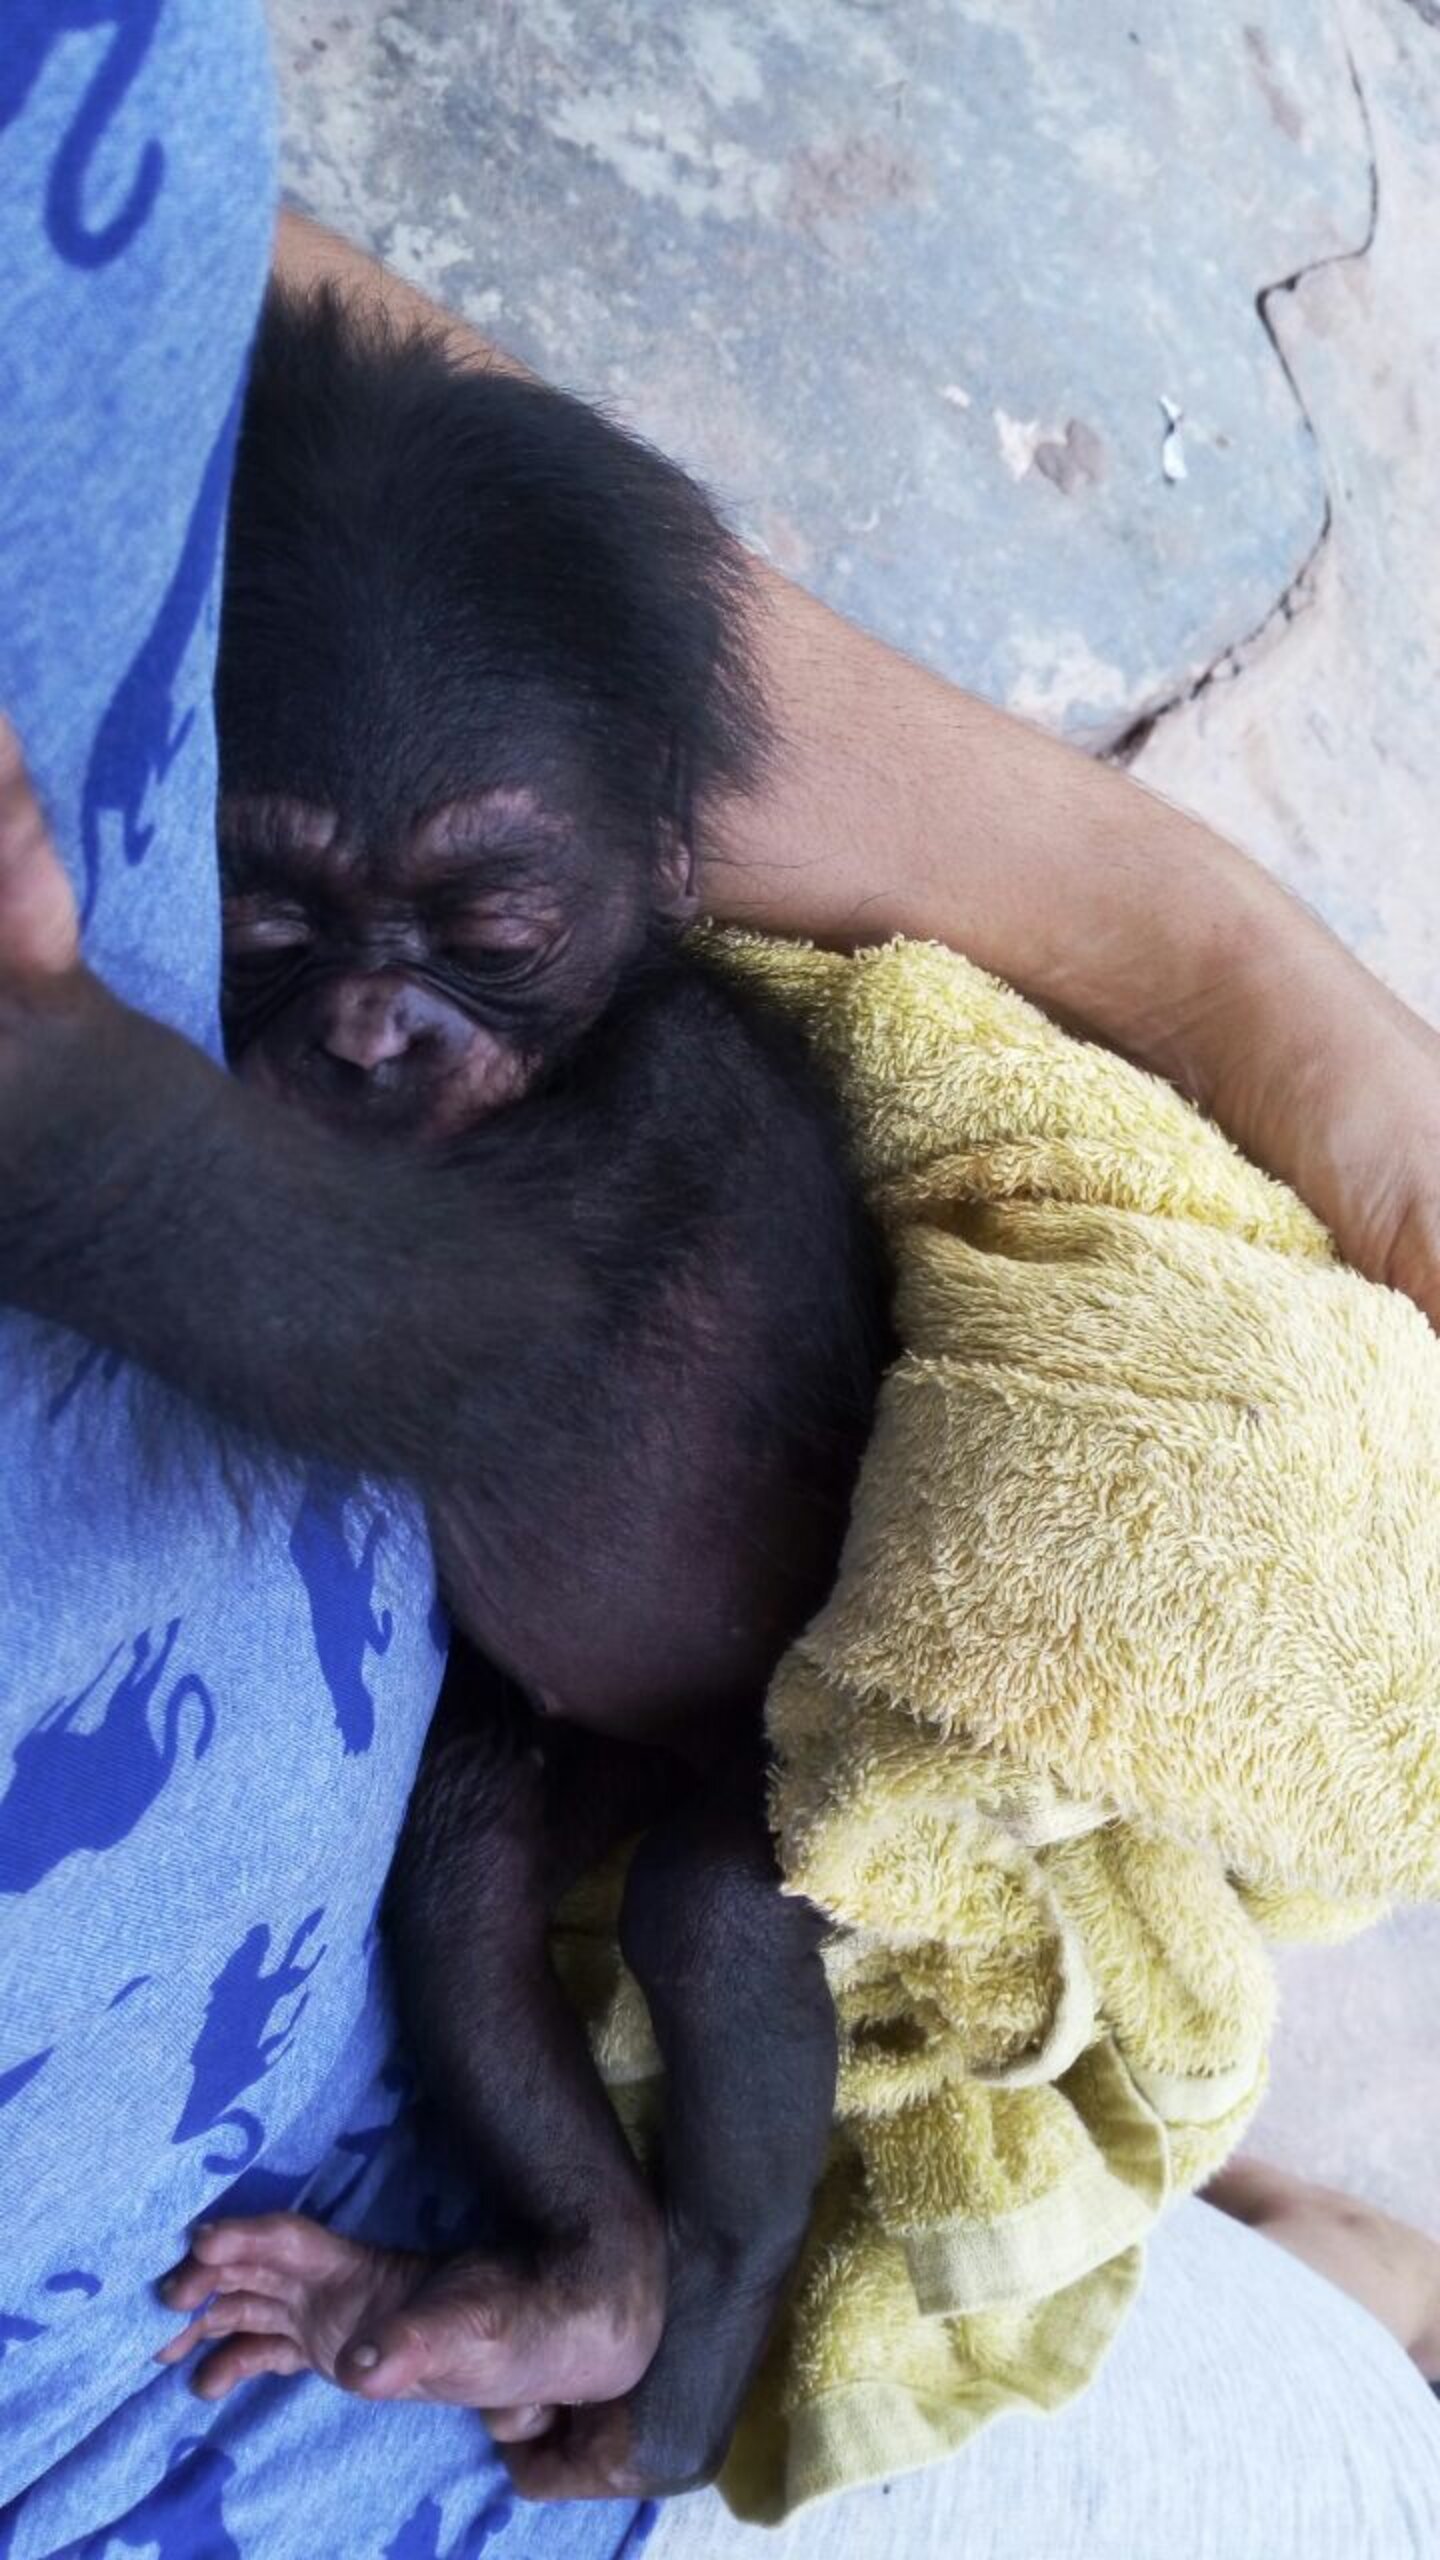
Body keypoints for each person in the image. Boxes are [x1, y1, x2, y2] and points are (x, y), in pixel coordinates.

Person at [0, 10, 1437, 2556]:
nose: (369, 1016)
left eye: (482, 939)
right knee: (464, 1875)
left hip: (749, 1737)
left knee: (706, 1900)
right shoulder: (487, 917)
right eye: (281, 911)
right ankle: (590, 2255)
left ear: (656, 882)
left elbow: (358, 1313)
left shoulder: (647, 1133)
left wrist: (65, 1104)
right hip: (501, 1741)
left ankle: (714, 2319)